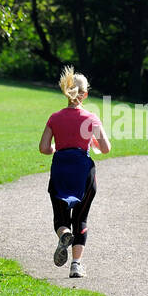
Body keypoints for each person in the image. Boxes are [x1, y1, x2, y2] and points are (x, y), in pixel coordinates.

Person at [38, 66, 111, 278]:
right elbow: (106, 148)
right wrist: (92, 141)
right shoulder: (91, 118)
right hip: (83, 171)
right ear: (85, 94)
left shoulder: (55, 118)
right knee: (81, 217)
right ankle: (76, 265)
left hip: (61, 168)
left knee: (61, 217)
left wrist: (55, 149)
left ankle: (64, 234)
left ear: (65, 92)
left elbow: (44, 148)